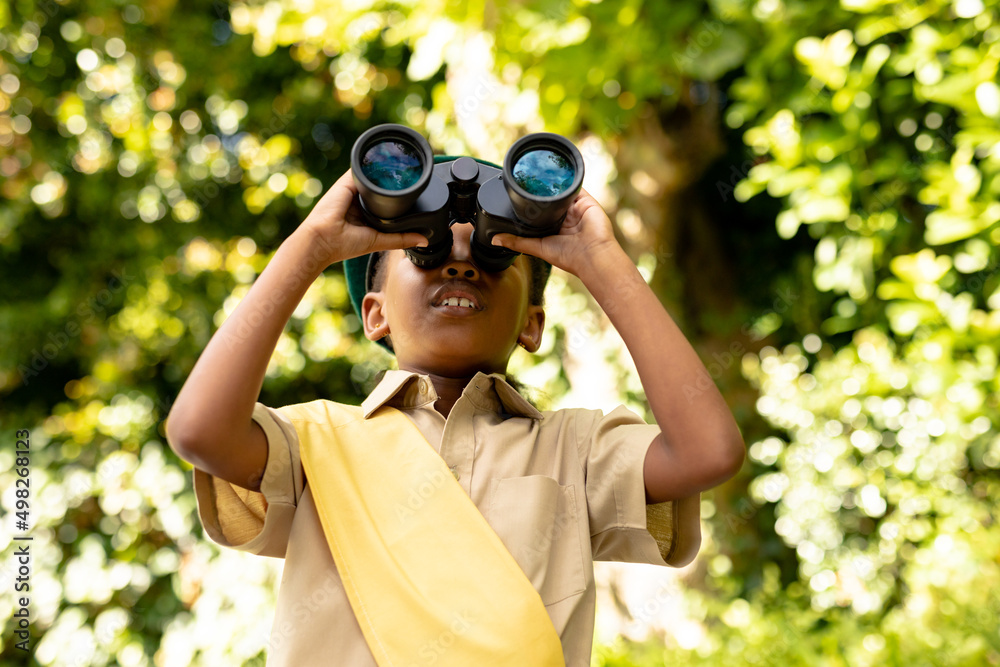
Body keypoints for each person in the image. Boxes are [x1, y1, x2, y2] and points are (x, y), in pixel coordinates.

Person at [165, 155, 746, 667]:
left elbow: (708, 451)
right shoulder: (315, 443)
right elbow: (199, 430)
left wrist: (600, 261)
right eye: (426, 251)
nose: (462, 264)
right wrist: (311, 245)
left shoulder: (577, 450)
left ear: (532, 323)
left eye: (495, 258)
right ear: (375, 314)